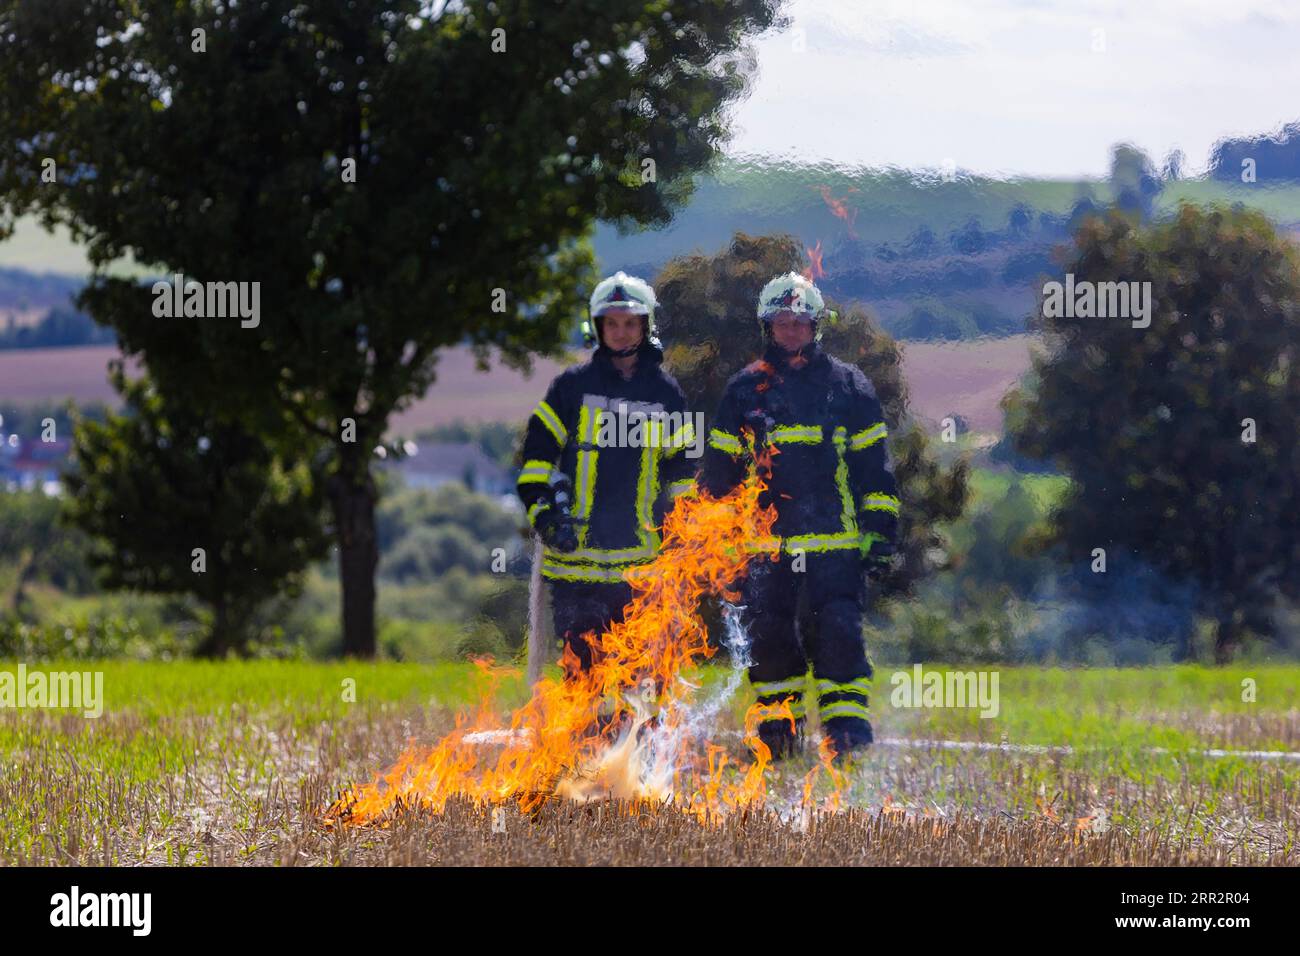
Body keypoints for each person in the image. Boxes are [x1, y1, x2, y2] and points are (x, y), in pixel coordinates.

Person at [699, 272, 900, 763]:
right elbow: (720, 478)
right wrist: (716, 546)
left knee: (839, 640)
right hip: (766, 550)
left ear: (816, 327)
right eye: (782, 323)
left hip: (834, 548)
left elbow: (874, 471)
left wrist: (880, 534)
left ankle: (847, 743)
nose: (792, 331)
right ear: (768, 327)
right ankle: (778, 743)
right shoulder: (744, 390)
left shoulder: (849, 386)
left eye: (800, 322)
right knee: (771, 645)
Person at [516, 271, 697, 681]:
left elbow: (686, 473)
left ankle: (638, 749)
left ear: (646, 326)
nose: (619, 332)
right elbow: (534, 468)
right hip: (575, 569)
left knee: (644, 684)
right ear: (596, 327)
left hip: (644, 570)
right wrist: (545, 519)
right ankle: (587, 748)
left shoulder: (667, 395)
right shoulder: (570, 388)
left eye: (629, 322)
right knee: (584, 684)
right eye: (611, 323)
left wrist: (683, 534)